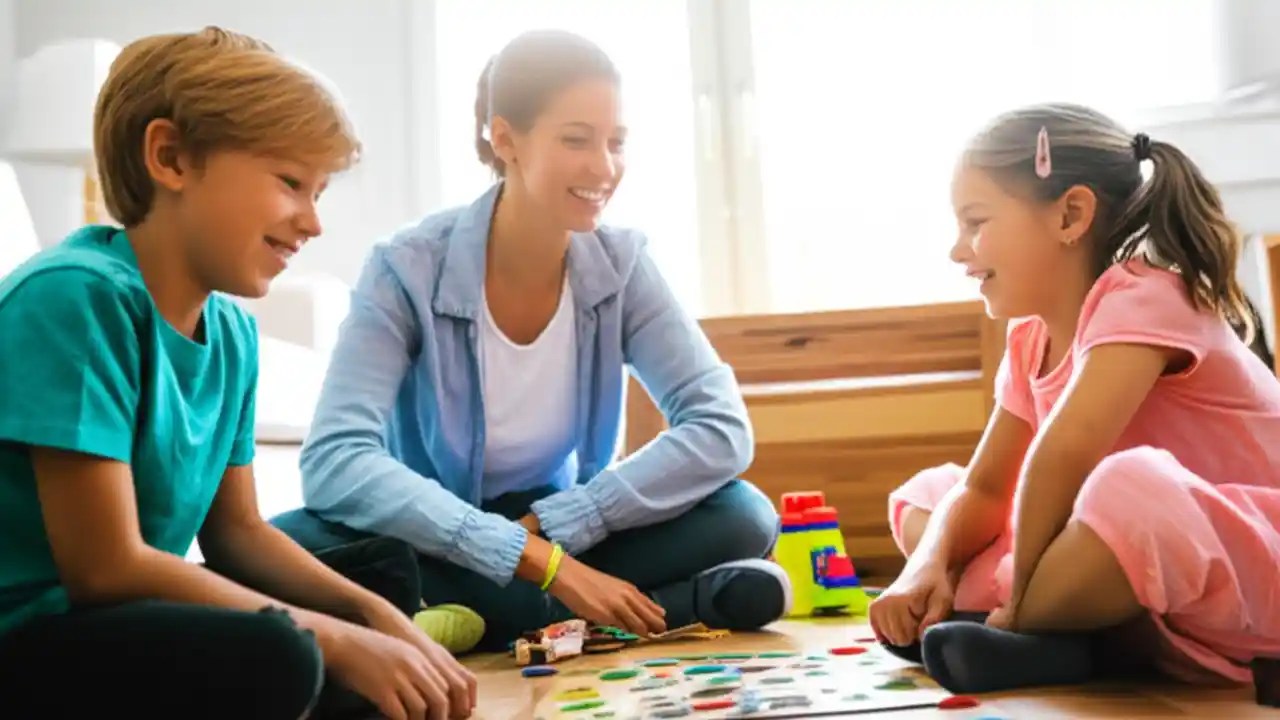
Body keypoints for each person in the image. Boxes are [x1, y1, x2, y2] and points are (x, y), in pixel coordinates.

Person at [0, 27, 476, 720]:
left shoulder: (231, 336)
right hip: (32, 631)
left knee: (380, 580)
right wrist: (336, 642)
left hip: (117, 617)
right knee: (286, 653)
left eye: (320, 191)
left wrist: (369, 615)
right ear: (170, 158)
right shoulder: (74, 297)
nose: (312, 221)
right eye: (291, 182)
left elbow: (237, 533)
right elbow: (106, 569)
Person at [270, 29, 790, 650]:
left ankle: (475, 622)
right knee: (288, 545)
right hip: (434, 532)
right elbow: (335, 460)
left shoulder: (621, 266)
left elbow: (721, 427)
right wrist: (523, 555)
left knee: (745, 513)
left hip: (554, 525)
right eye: (576, 139)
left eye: (616, 142)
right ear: (505, 138)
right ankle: (679, 605)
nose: (604, 166)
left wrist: (562, 521)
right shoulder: (405, 269)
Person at [869, 102, 1280, 694]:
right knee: (930, 497)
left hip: (1245, 561)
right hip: (1135, 572)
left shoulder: (1146, 297)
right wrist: (923, 567)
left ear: (1071, 215)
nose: (959, 251)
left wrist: (1015, 602)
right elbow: (985, 487)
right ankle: (1070, 634)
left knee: (1129, 486)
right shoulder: (1030, 336)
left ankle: (1022, 629)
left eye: (976, 222)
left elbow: (1064, 456)